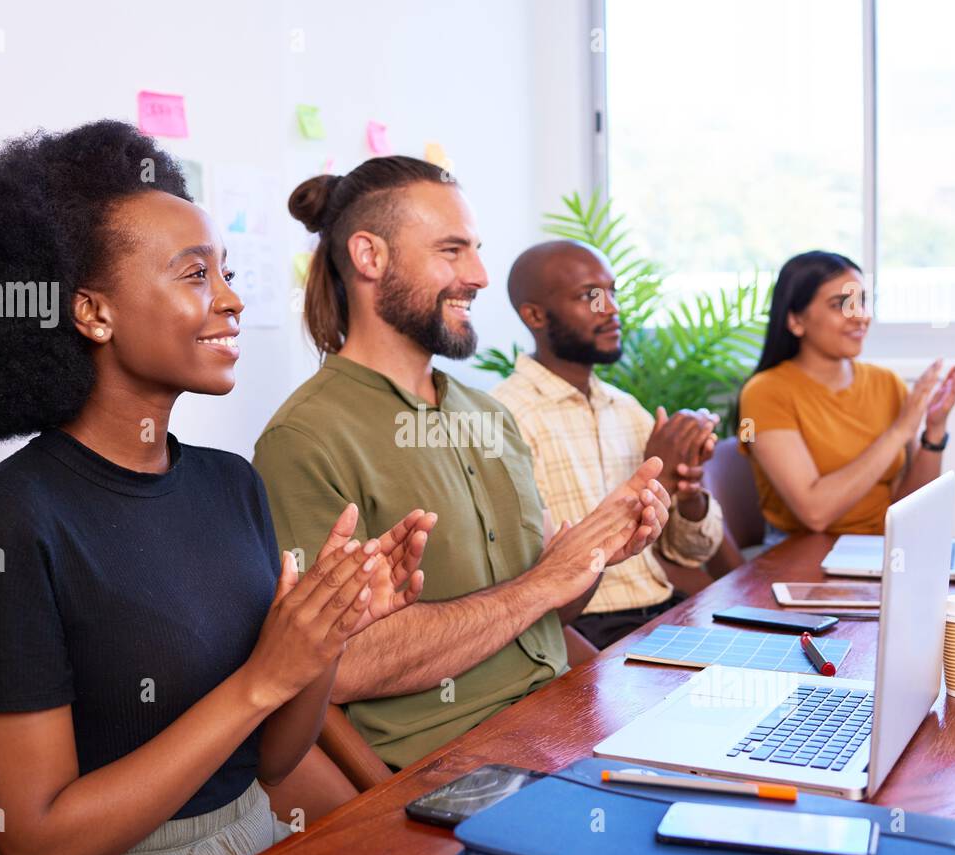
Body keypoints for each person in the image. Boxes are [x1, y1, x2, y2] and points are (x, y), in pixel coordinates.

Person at [0, 120, 432, 855]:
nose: (231, 302)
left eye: (228, 274)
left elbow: (270, 764)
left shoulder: (230, 484)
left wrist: (323, 638)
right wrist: (260, 680)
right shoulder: (10, 524)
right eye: (194, 275)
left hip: (255, 834)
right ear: (93, 312)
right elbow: (37, 842)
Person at [253, 157, 671, 770]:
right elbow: (342, 667)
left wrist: (590, 557)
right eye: (451, 251)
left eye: (475, 250)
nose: (477, 275)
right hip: (454, 763)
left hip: (565, 721)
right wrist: (542, 583)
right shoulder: (304, 438)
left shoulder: (489, 415)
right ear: (370, 258)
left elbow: (542, 617)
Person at [492, 240, 725, 649]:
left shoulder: (628, 409)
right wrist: (662, 476)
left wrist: (687, 492)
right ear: (534, 315)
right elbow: (522, 582)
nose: (612, 308)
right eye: (590, 296)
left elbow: (690, 553)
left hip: (665, 612)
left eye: (613, 293)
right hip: (584, 629)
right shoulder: (505, 418)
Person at [737, 250, 955, 536]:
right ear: (796, 321)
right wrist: (898, 431)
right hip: (803, 558)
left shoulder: (886, 383)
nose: (860, 316)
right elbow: (814, 513)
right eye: (840, 305)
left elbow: (909, 507)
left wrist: (934, 432)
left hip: (881, 551)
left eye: (862, 301)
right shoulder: (764, 393)